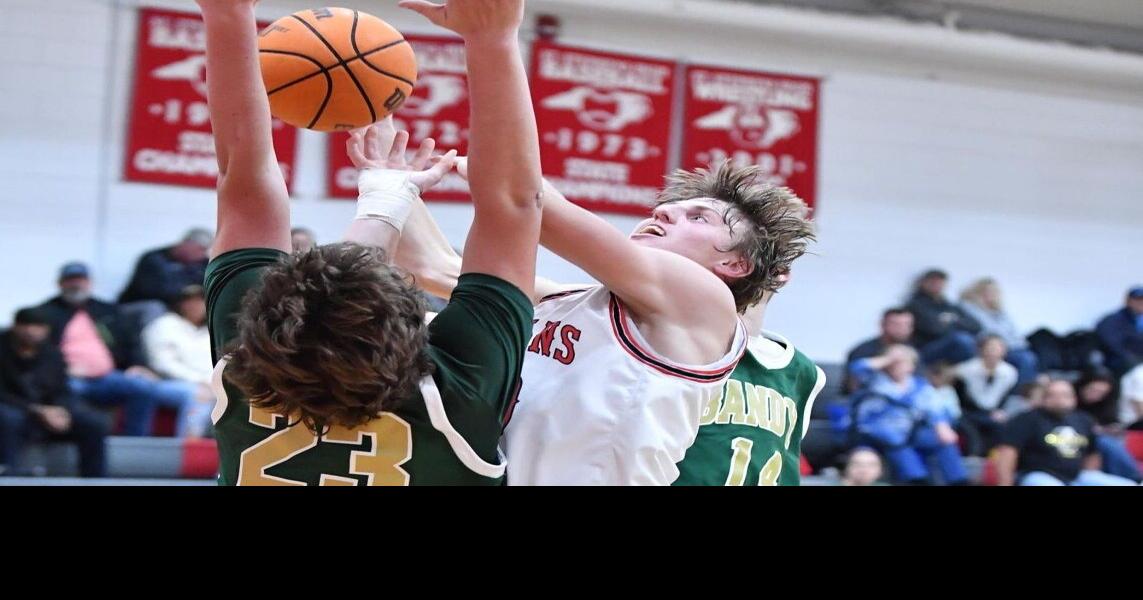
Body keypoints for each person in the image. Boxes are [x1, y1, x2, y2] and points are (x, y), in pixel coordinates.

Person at [197, 0, 541, 485]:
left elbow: (514, 208)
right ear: (413, 318)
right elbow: (244, 181)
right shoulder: (456, 392)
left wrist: (493, 39)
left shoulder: (243, 355)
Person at [399, 151, 815, 484]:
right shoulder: (573, 299)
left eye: (698, 217)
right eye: (669, 208)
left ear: (737, 264)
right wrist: (389, 179)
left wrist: (497, 157)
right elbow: (432, 266)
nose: (663, 213)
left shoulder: (702, 300)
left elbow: (530, 202)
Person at [37, 262, 201, 437]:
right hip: (67, 378)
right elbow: (38, 350)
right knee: (67, 391)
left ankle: (135, 443)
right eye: (70, 280)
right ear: (60, 283)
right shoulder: (45, 313)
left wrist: (138, 365)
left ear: (89, 282)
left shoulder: (106, 310)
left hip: (107, 376)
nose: (76, 284)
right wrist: (60, 370)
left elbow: (129, 341)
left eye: (81, 280)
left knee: (142, 387)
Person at [0, 308, 107, 477]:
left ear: (46, 329)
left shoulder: (52, 354)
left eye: (37, 326)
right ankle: (7, 473)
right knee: (8, 418)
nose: (30, 331)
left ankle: (94, 478)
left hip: (47, 413)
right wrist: (37, 410)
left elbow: (62, 389)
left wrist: (61, 410)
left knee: (93, 423)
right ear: (15, 326)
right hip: (15, 410)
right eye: (25, 325)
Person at [849, 345, 968, 485]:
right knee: (895, 439)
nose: (897, 365)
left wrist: (941, 426)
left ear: (911, 366)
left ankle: (959, 481)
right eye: (894, 361)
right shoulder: (873, 380)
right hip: (876, 430)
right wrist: (887, 358)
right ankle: (917, 480)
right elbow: (856, 367)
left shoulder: (919, 385)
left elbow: (935, 407)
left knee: (942, 440)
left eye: (903, 361)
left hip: (910, 431)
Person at [993, 379, 1136, 486]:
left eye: (1064, 395)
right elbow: (1008, 452)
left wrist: (1089, 475)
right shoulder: (1027, 419)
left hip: (1076, 476)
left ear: (1074, 398)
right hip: (1037, 475)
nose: (1059, 400)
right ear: (1044, 398)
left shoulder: (1083, 419)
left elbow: (1092, 453)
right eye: (1052, 395)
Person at [140, 285, 214, 438]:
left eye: (200, 300)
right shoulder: (164, 325)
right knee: (197, 395)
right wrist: (201, 382)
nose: (195, 305)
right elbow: (163, 364)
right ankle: (190, 448)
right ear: (180, 303)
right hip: (163, 383)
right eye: (189, 301)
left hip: (209, 384)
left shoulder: (210, 331)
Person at [959, 278, 1038, 384]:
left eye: (994, 292)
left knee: (1030, 356)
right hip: (988, 349)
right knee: (1025, 359)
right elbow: (990, 332)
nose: (991, 295)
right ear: (977, 293)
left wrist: (1012, 344)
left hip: (1009, 348)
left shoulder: (1001, 313)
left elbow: (1016, 335)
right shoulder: (970, 309)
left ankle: (1029, 393)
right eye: (987, 292)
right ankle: (1017, 396)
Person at [906, 269, 981, 365]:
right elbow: (934, 330)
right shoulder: (915, 305)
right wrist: (955, 323)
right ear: (923, 283)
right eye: (933, 282)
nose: (937, 286)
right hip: (926, 349)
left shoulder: (950, 305)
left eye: (940, 283)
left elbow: (976, 326)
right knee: (962, 339)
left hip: (951, 347)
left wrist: (952, 320)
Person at [844, 308, 916, 392]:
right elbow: (854, 381)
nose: (901, 329)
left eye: (906, 325)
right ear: (882, 325)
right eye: (896, 325)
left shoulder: (912, 349)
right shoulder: (863, 351)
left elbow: (921, 379)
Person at [1094, 286, 1143, 377]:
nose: (1141, 303)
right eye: (1137, 300)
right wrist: (1131, 357)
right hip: (1120, 360)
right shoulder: (1112, 320)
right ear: (1128, 301)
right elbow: (1111, 344)